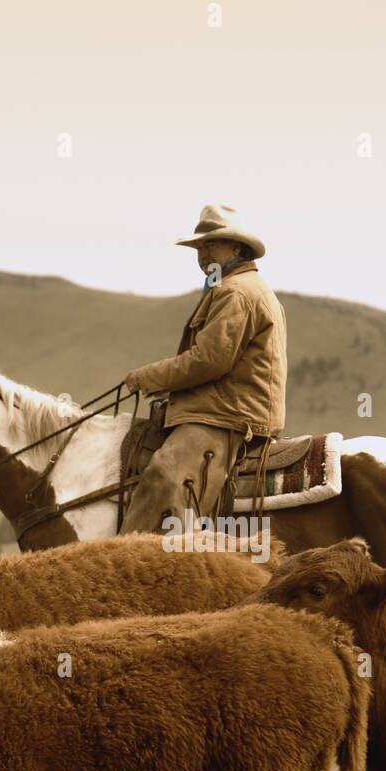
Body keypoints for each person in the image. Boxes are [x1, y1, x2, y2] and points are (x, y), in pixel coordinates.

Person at [119, 203, 287, 534]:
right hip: (224, 407)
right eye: (198, 246)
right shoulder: (232, 286)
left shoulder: (236, 291)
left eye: (211, 244)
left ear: (236, 247)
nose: (201, 253)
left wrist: (147, 377)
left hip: (227, 413)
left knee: (165, 473)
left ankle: (133, 566)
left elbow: (209, 360)